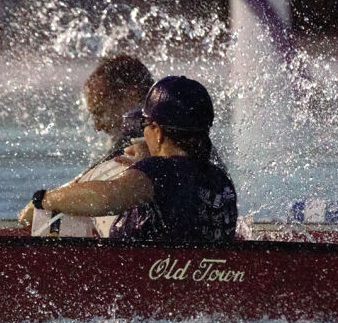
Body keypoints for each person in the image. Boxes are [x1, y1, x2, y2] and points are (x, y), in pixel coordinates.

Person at [28, 75, 237, 244]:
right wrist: (146, 166)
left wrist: (44, 199)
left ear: (158, 132)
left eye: (145, 125)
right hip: (199, 275)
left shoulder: (158, 171)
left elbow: (106, 199)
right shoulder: (220, 179)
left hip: (143, 280)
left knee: (67, 212)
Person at [18, 53, 154, 231]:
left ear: (131, 97)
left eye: (100, 112)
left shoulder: (143, 140)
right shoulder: (173, 137)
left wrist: (42, 200)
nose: (98, 127)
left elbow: (97, 193)